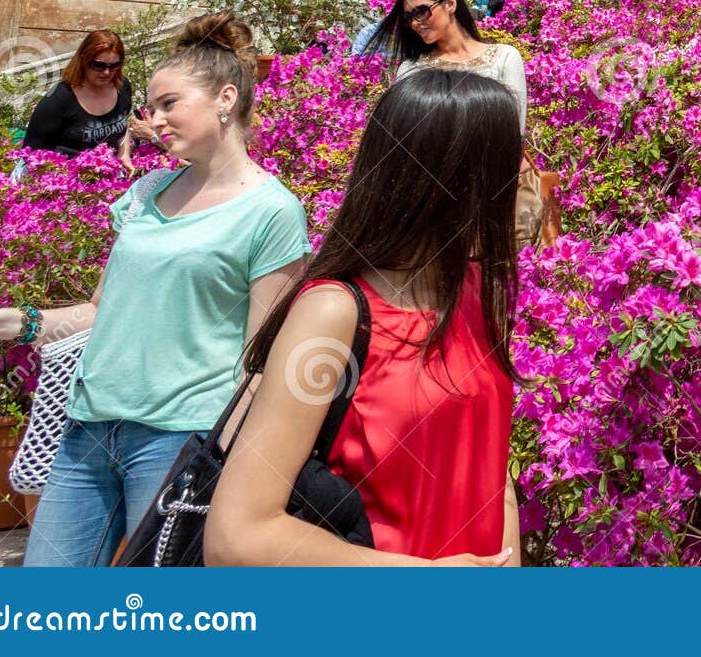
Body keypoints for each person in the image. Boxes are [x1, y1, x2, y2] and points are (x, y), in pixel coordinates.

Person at [0, 14, 311, 567]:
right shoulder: (147, 190)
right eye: (151, 106)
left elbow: (262, 360)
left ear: (226, 99)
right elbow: (99, 311)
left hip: (177, 442)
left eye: (168, 104)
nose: (152, 119)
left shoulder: (272, 212)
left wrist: (229, 463)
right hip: (87, 429)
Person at [206, 70, 520, 566]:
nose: (524, 176)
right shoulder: (334, 312)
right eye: (509, 160)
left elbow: (490, 469)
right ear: (457, 178)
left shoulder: (478, 292)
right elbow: (236, 536)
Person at [371, 0, 542, 247]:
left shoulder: (504, 57)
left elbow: (513, 132)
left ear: (450, 3)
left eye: (422, 12)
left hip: (494, 194)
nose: (415, 23)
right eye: (408, 17)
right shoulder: (411, 69)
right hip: (433, 202)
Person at [21, 30, 142, 161]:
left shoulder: (122, 88)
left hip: (112, 174)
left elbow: (123, 131)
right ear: (84, 60)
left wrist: (124, 154)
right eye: (98, 65)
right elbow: (32, 154)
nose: (107, 72)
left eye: (114, 65)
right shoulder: (58, 100)